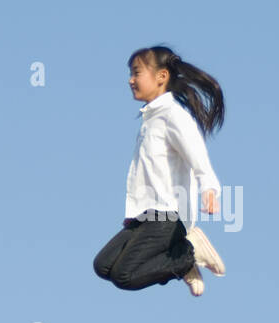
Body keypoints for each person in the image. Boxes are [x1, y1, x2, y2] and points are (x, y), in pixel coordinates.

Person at [93, 46, 226, 297]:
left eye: (136, 73)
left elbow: (196, 153)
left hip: (167, 215)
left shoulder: (173, 114)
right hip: (144, 215)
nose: (131, 80)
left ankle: (188, 255)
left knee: (125, 276)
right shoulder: (150, 119)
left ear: (161, 76)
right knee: (103, 265)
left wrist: (210, 188)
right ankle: (181, 259)